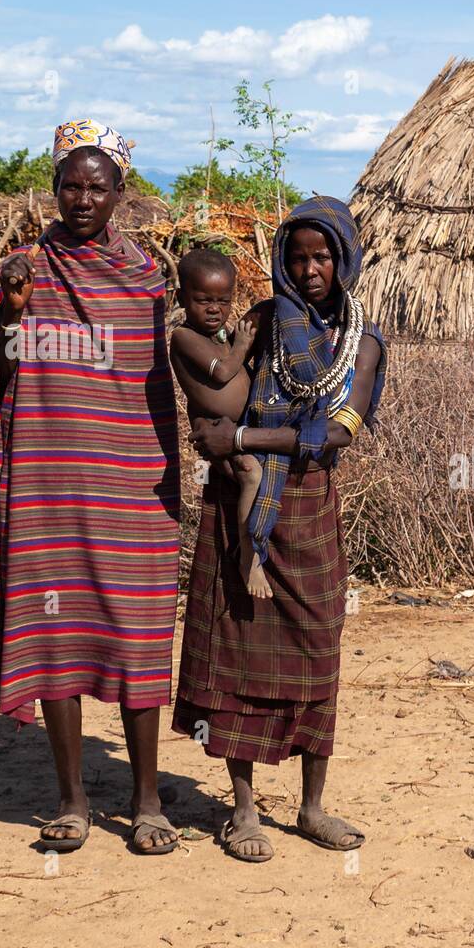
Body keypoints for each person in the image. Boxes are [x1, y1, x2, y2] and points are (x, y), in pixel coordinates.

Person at [0, 119, 182, 855]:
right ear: (54, 189)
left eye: (98, 186)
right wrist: (11, 317)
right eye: (71, 185)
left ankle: (147, 802)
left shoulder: (145, 277)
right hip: (47, 484)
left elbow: (158, 381)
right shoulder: (22, 272)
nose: (83, 198)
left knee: (138, 636)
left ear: (121, 192)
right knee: (57, 635)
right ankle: (73, 799)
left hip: (132, 483)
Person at [175, 196, 387, 863]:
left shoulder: (366, 343)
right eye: (297, 256)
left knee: (319, 653)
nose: (310, 267)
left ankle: (312, 805)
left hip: (309, 505)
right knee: (239, 652)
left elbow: (332, 434)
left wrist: (241, 435)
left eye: (321, 255)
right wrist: (226, 434)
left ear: (344, 257)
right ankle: (241, 810)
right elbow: (211, 384)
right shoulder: (261, 322)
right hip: (240, 509)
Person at [168, 249, 269, 597]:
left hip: (240, 425)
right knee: (250, 474)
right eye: (203, 300)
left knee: (263, 477)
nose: (215, 309)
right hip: (216, 430)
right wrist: (242, 345)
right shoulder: (184, 338)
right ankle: (248, 553)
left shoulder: (221, 335)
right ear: (182, 298)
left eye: (223, 301)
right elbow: (225, 371)